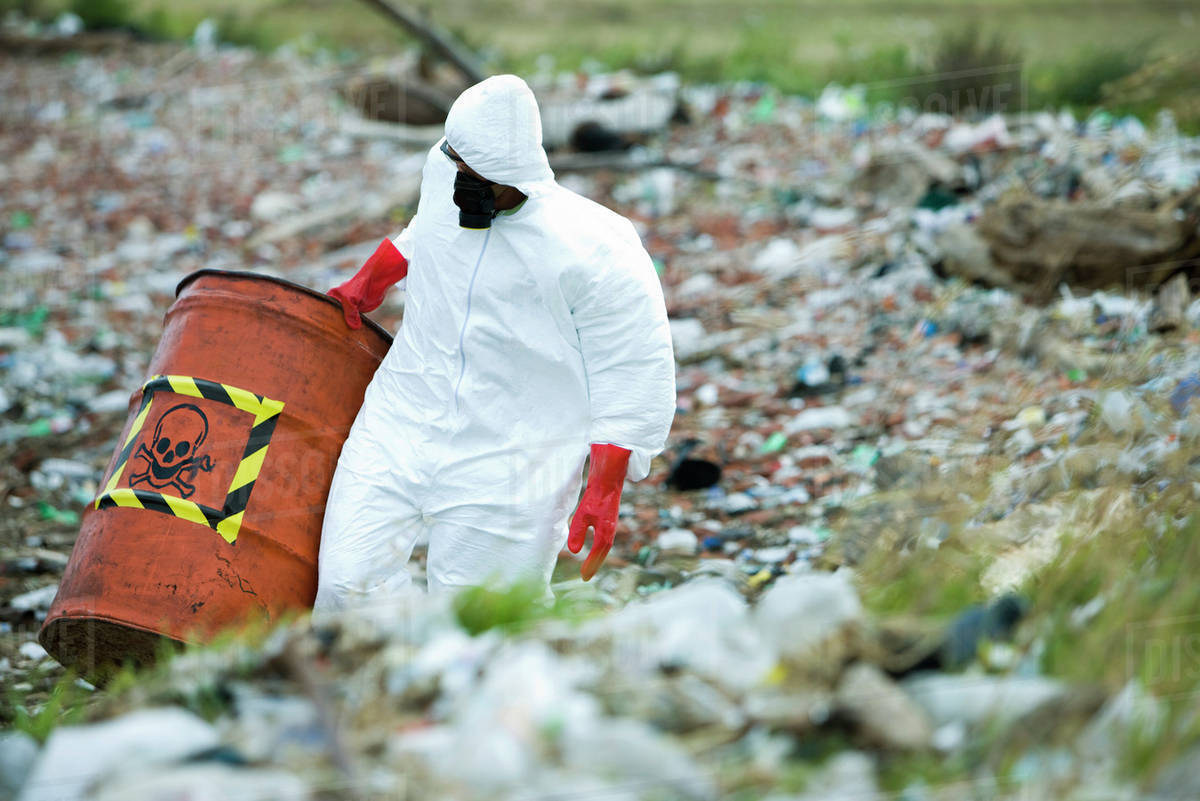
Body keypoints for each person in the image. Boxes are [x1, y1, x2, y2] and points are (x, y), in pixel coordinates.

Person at [313, 75, 675, 613]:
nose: (463, 186)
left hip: (516, 451)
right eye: (456, 166)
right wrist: (372, 278)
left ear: (517, 173)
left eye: (478, 178)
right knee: (346, 584)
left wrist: (604, 489)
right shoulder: (444, 167)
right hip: (405, 414)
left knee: (481, 618)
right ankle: (377, 683)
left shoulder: (597, 246)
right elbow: (426, 230)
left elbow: (633, 367)